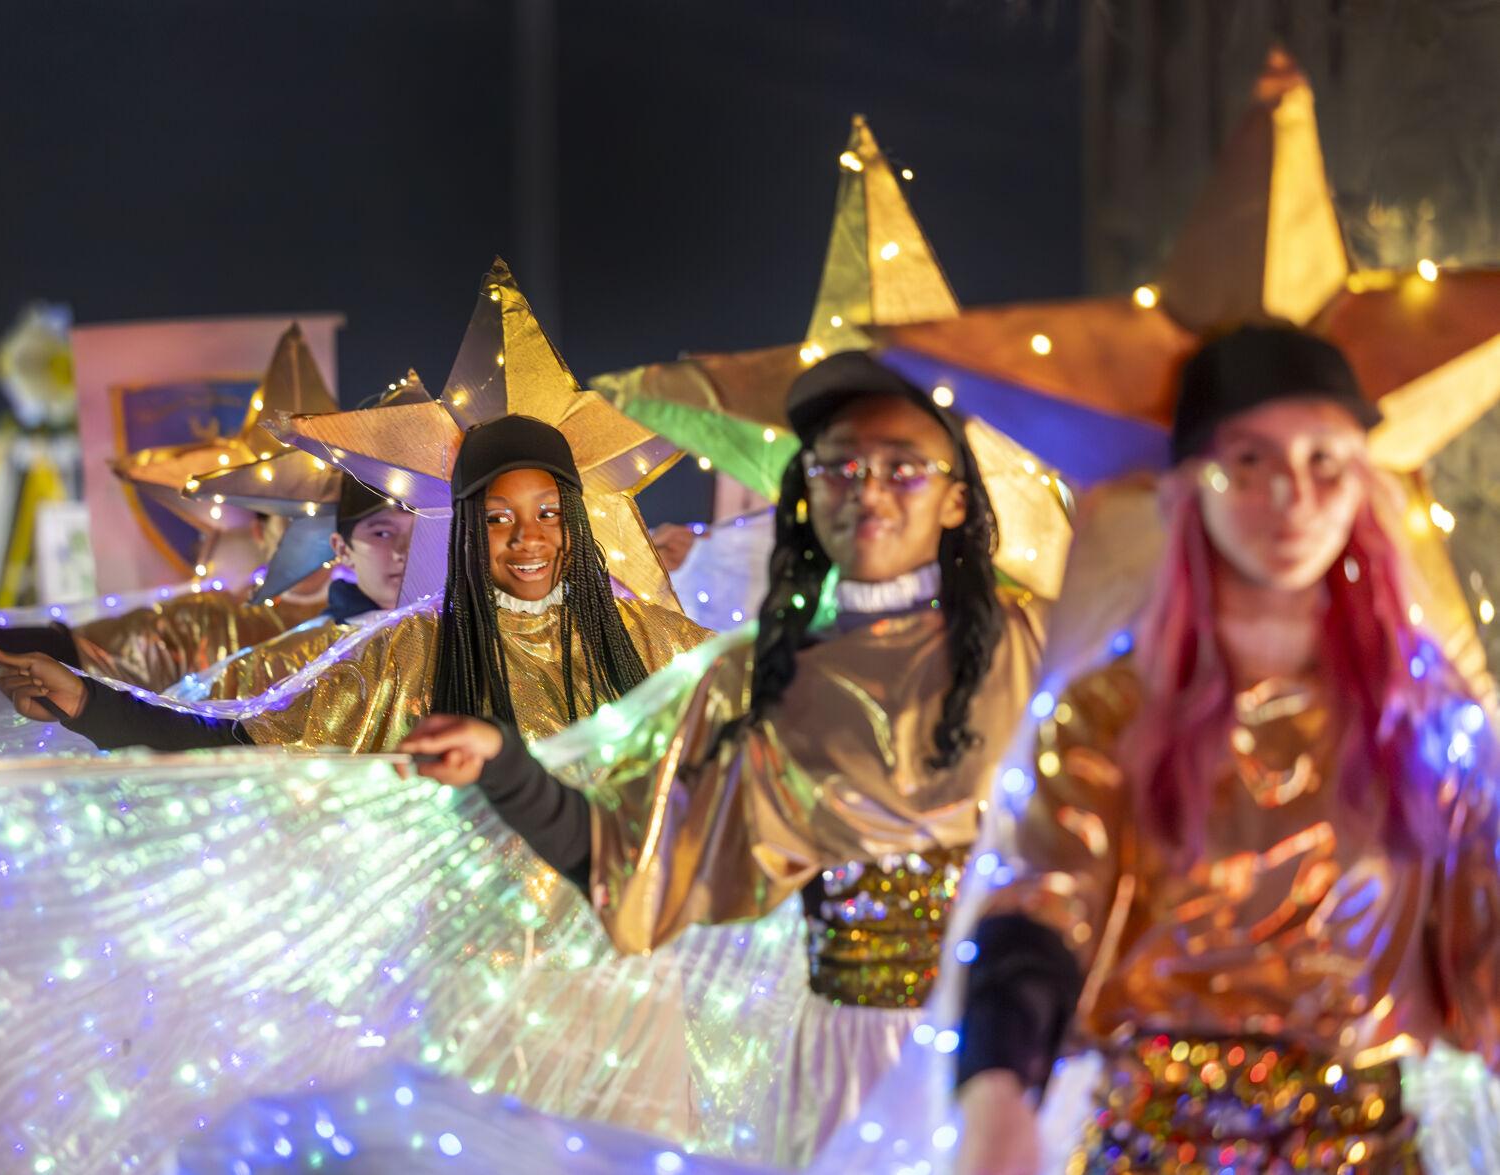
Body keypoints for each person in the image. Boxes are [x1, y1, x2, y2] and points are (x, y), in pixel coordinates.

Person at [400, 350, 1047, 1163]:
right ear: (807, 492)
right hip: (845, 1057)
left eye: (902, 467)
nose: (868, 489)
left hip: (1014, 1045)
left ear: (957, 498)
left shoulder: (1039, 649)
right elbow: (640, 872)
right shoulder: (756, 677)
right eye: (839, 466)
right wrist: (505, 764)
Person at [953, 325, 1500, 1175]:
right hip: (1157, 1147)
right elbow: (1039, 909)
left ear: (1360, 482)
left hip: (1362, 1150)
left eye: (1324, 462)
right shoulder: (1110, 711)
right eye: (1250, 461)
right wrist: (995, 1100)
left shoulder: (1425, 721)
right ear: (1189, 487)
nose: (1292, 496)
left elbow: (1487, 945)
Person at [0, 412, 709, 752]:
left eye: (548, 512)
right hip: (477, 996)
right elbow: (247, 743)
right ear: (465, 528)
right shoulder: (409, 653)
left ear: (575, 521)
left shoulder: (655, 644)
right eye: (497, 518)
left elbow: (779, 708)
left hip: (629, 989)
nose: (529, 538)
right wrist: (89, 702)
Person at [0, 475, 412, 692]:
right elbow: (117, 648)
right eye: (292, 514)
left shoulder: (389, 617)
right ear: (259, 531)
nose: (307, 529)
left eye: (320, 511)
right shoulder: (211, 615)